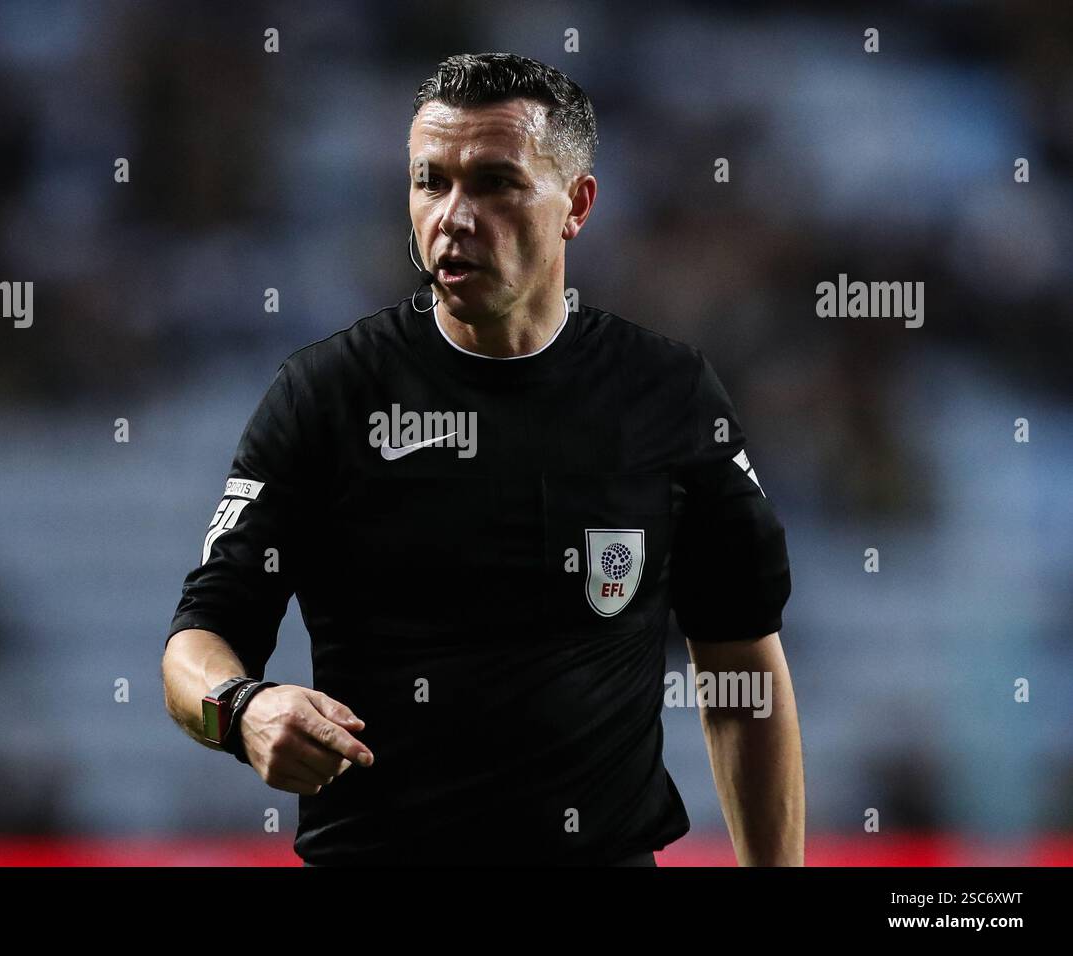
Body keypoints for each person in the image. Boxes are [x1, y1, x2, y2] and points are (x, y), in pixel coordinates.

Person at [162, 52, 803, 867]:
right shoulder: (327, 396)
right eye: (431, 182)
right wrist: (241, 707)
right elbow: (197, 642)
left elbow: (744, 674)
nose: (454, 216)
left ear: (576, 205)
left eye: (495, 183)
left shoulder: (667, 396)